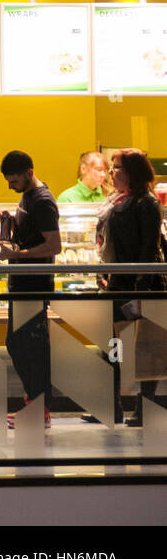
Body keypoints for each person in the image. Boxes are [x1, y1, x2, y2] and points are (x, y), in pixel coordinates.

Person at [0, 150, 61, 429]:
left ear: (29, 173)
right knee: (17, 343)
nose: (11, 186)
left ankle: (39, 409)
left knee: (32, 347)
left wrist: (17, 257)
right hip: (21, 283)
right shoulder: (29, 197)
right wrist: (10, 219)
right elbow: (31, 235)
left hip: (34, 285)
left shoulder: (43, 202)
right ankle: (34, 404)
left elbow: (54, 245)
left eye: (14, 181)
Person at [102, 150, 166, 427]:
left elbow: (147, 249)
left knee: (145, 350)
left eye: (117, 168)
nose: (112, 173)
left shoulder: (147, 203)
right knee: (114, 347)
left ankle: (144, 407)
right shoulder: (119, 201)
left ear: (133, 172)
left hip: (141, 285)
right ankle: (113, 405)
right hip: (118, 282)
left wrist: (139, 290)